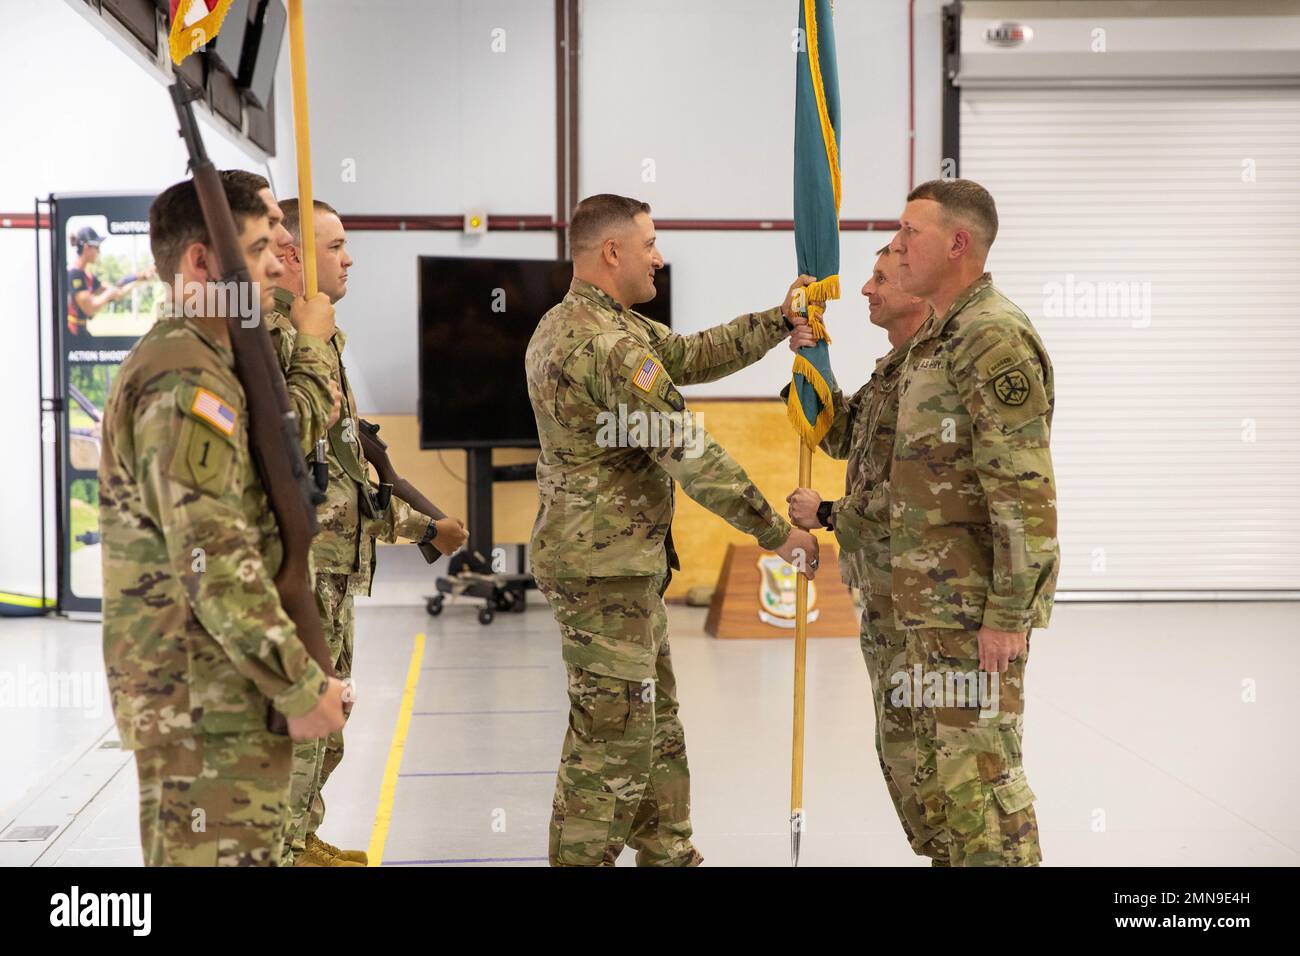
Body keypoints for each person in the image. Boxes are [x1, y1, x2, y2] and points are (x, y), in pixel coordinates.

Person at [525, 193, 821, 866]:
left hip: (620, 566)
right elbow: (689, 452)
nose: (659, 258)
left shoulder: (589, 326)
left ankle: (669, 853)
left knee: (650, 727)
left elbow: (692, 354)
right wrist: (779, 534)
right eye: (651, 244)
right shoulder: (606, 347)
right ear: (613, 252)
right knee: (612, 737)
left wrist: (778, 322)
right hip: (605, 570)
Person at [99, 176, 346, 867]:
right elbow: (211, 554)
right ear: (204, 264)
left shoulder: (213, 362)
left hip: (221, 688)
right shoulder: (186, 377)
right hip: (204, 699)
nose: (279, 263)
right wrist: (299, 685)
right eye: (262, 247)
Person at [270, 195, 469, 867]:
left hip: (335, 570)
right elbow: (290, 447)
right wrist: (311, 344)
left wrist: (420, 526)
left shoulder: (319, 337)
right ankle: (281, 849)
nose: (349, 257)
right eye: (335, 245)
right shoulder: (278, 339)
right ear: (294, 255)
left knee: (331, 725)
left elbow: (349, 478)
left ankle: (301, 838)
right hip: (301, 573)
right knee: (303, 722)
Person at [888, 178, 1058, 866]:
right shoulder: (939, 334)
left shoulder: (992, 337)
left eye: (910, 233)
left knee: (982, 782)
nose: (896, 248)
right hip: (932, 607)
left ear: (958, 244)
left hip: (971, 613)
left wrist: (1008, 613)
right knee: (949, 785)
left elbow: (1022, 489)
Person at [785, 244, 946, 863]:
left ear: (917, 285)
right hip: (882, 596)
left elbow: (920, 496)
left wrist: (826, 515)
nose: (864, 290)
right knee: (901, 749)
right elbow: (841, 434)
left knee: (936, 756)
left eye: (880, 278)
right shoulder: (892, 369)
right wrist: (804, 369)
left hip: (921, 597)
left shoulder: (932, 372)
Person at [66, 226, 154, 336]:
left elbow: (116, 288)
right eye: (97, 247)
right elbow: (90, 308)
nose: (99, 252)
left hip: (81, 331)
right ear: (86, 247)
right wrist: (109, 294)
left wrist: (140, 278)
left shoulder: (87, 276)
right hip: (73, 333)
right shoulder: (75, 274)